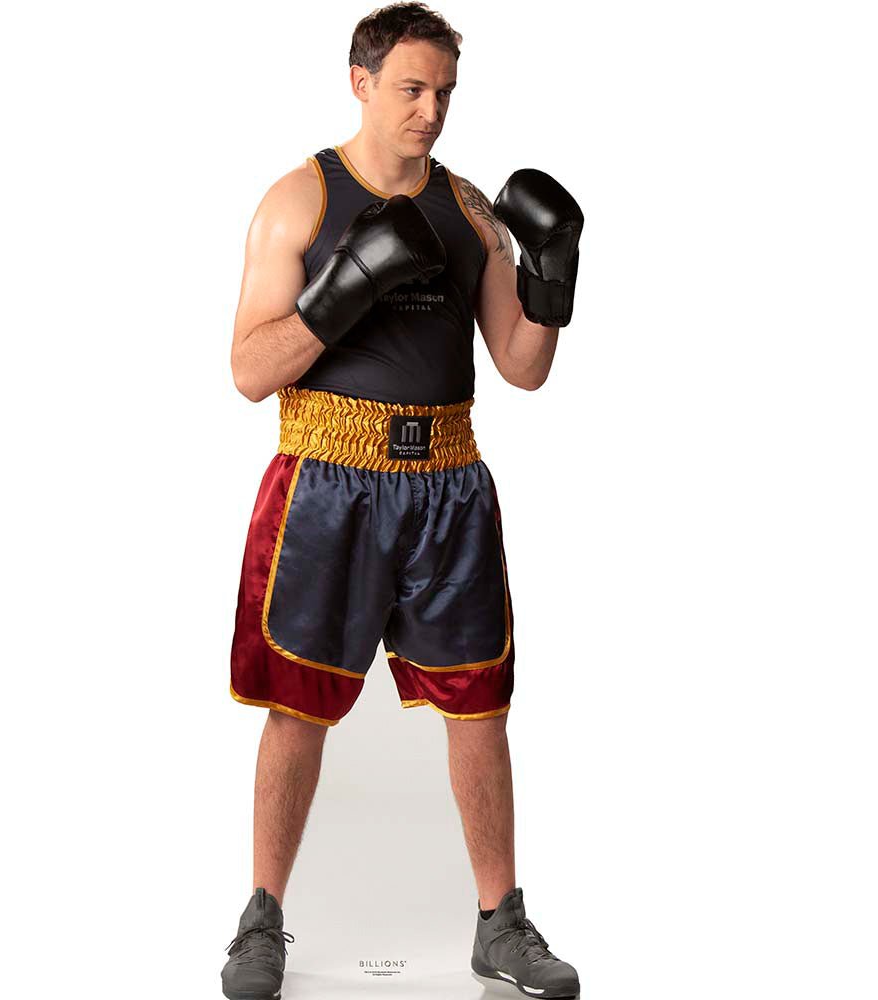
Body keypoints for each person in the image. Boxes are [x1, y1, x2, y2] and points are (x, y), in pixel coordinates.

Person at [224, 4, 584, 998]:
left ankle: (500, 923)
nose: (431, 111)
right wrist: (343, 289)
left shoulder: (468, 208)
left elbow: (521, 366)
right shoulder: (298, 201)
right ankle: (260, 920)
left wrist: (553, 275)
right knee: (297, 705)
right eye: (412, 89)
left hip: (448, 485)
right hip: (327, 478)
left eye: (445, 92)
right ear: (361, 82)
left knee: (481, 704)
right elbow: (249, 370)